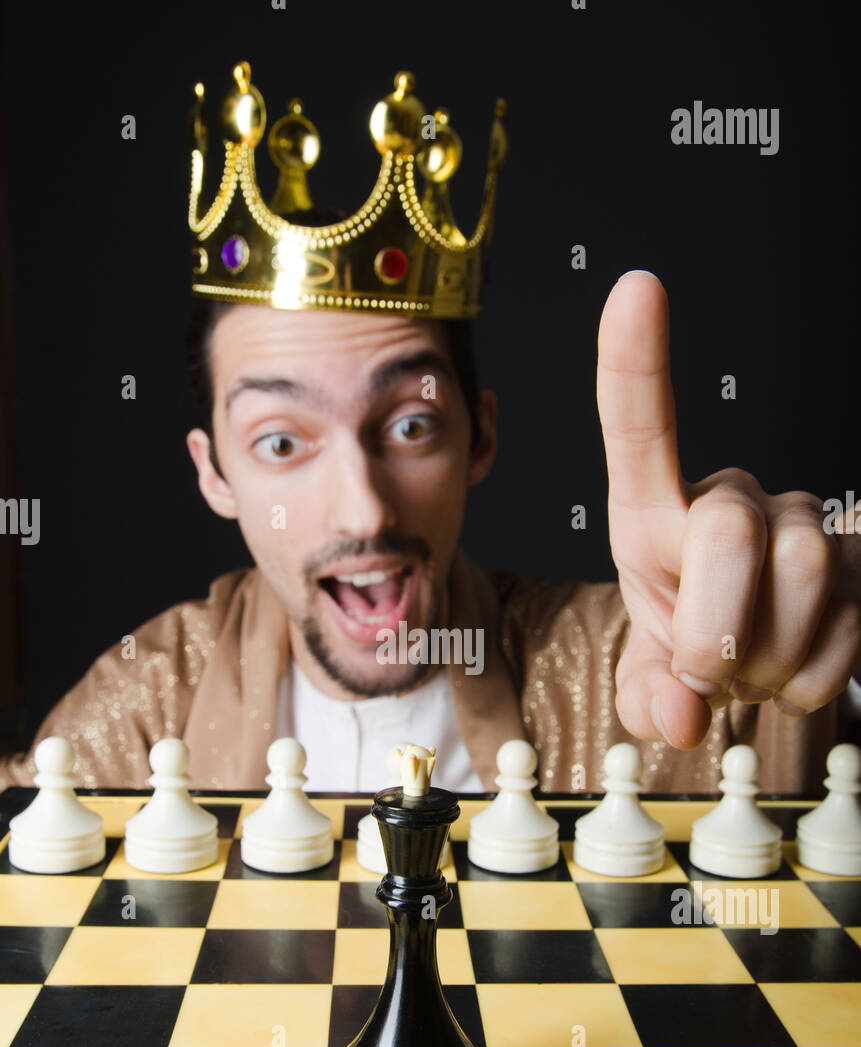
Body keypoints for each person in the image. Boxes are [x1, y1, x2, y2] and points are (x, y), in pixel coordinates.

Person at [2, 66, 859, 796]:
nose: (364, 512)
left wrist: (808, 611)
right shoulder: (145, 704)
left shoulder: (635, 666)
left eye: (409, 425)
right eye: (280, 442)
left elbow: (796, 725)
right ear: (214, 473)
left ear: (479, 437)